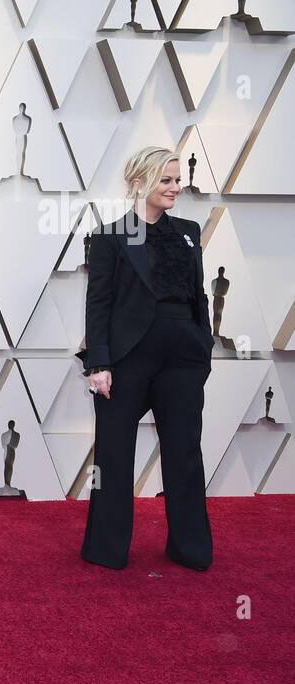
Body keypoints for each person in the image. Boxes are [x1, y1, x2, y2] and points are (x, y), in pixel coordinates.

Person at [76, 146, 213, 571]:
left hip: (182, 362)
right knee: (114, 458)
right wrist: (98, 364)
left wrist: (203, 348)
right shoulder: (110, 238)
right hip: (126, 362)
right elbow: (98, 304)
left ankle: (189, 548)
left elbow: (198, 297)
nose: (176, 187)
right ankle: (106, 550)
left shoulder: (189, 231)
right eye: (166, 180)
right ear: (140, 183)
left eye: (177, 180)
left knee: (184, 455)